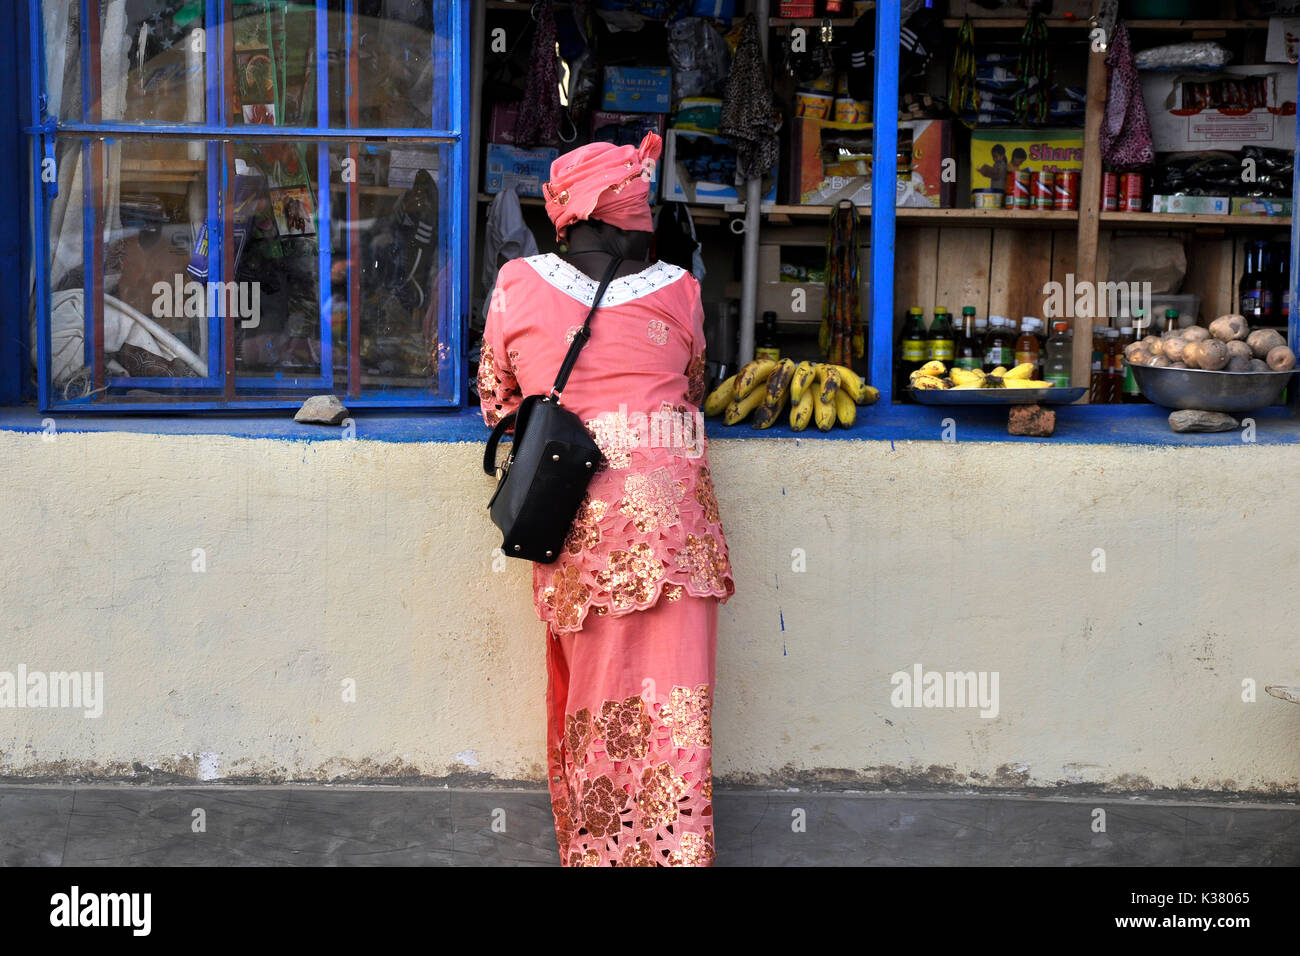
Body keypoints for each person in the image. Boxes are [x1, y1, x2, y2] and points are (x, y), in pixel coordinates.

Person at [479, 131, 734, 867]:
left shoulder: (517, 284)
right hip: (675, 534)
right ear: (625, 211)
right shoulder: (682, 291)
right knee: (674, 715)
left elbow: (498, 403)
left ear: (570, 212)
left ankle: (601, 854)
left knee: (594, 707)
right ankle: (676, 855)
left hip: (573, 522)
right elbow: (690, 391)